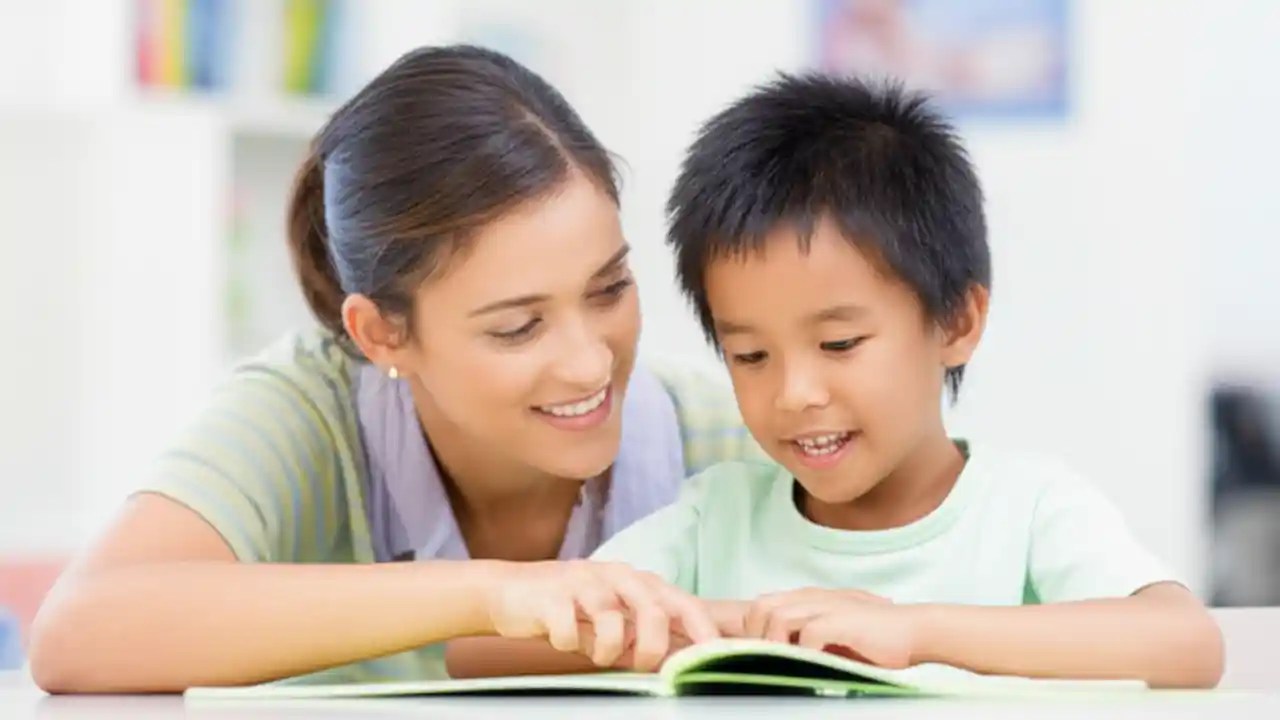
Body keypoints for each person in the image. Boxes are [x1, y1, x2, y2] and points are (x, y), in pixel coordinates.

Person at [28, 45, 767, 694]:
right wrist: (492, 594)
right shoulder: (311, 415)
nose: (589, 363)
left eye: (609, 289)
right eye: (517, 327)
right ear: (381, 333)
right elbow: (77, 633)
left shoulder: (730, 436)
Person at [463, 73, 1225, 688]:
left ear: (956, 323)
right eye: (750, 356)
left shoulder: (1027, 509)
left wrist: (910, 629)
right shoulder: (713, 519)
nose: (794, 394)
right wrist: (745, 625)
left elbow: (1184, 643)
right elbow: (477, 651)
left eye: (839, 342)